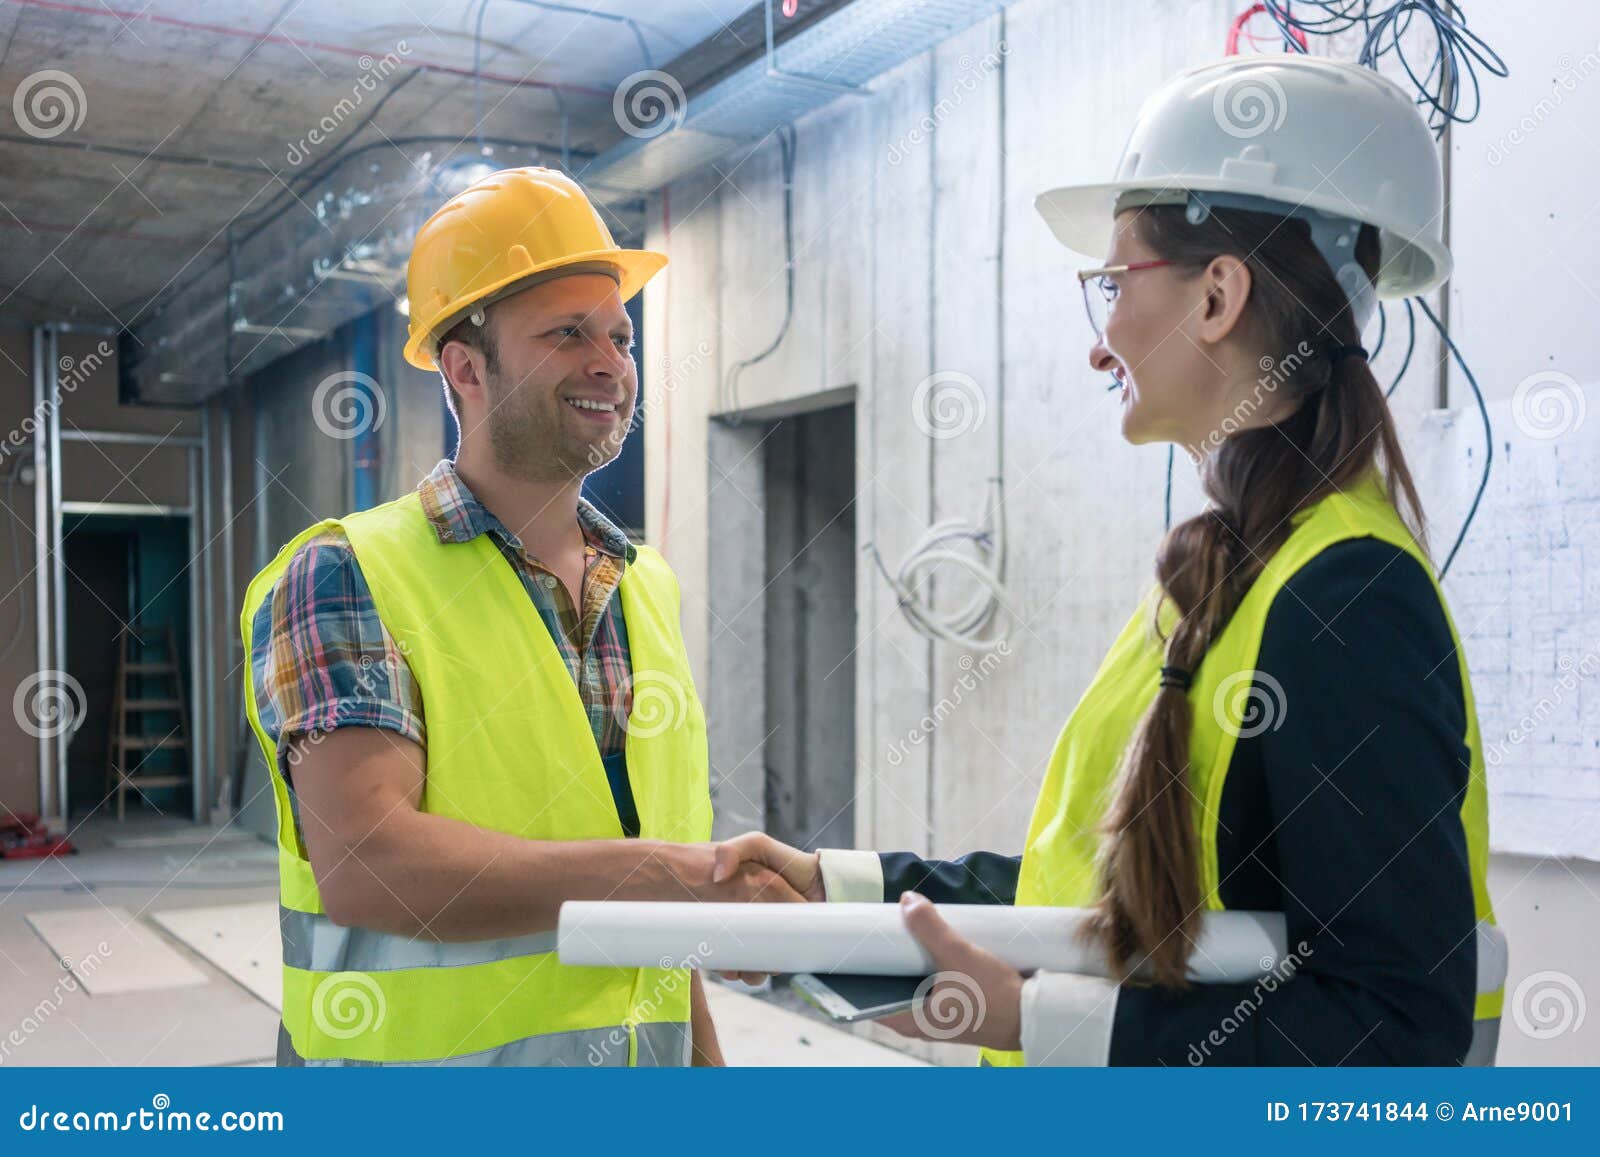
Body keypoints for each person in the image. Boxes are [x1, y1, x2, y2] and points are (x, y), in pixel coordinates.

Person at [718, 56, 1507, 1066]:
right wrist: (830, 889)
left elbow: (1398, 1023)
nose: (1100, 343)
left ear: (1218, 294)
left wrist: (1041, 1020)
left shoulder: (1345, 596)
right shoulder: (1236, 573)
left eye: (1113, 282)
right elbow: (1089, 881)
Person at [241, 167, 801, 1068]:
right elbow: (373, 864)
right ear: (464, 367)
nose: (611, 363)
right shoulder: (347, 573)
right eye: (566, 333)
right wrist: (675, 879)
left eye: (619, 335)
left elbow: (650, 868)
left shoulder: (643, 587)